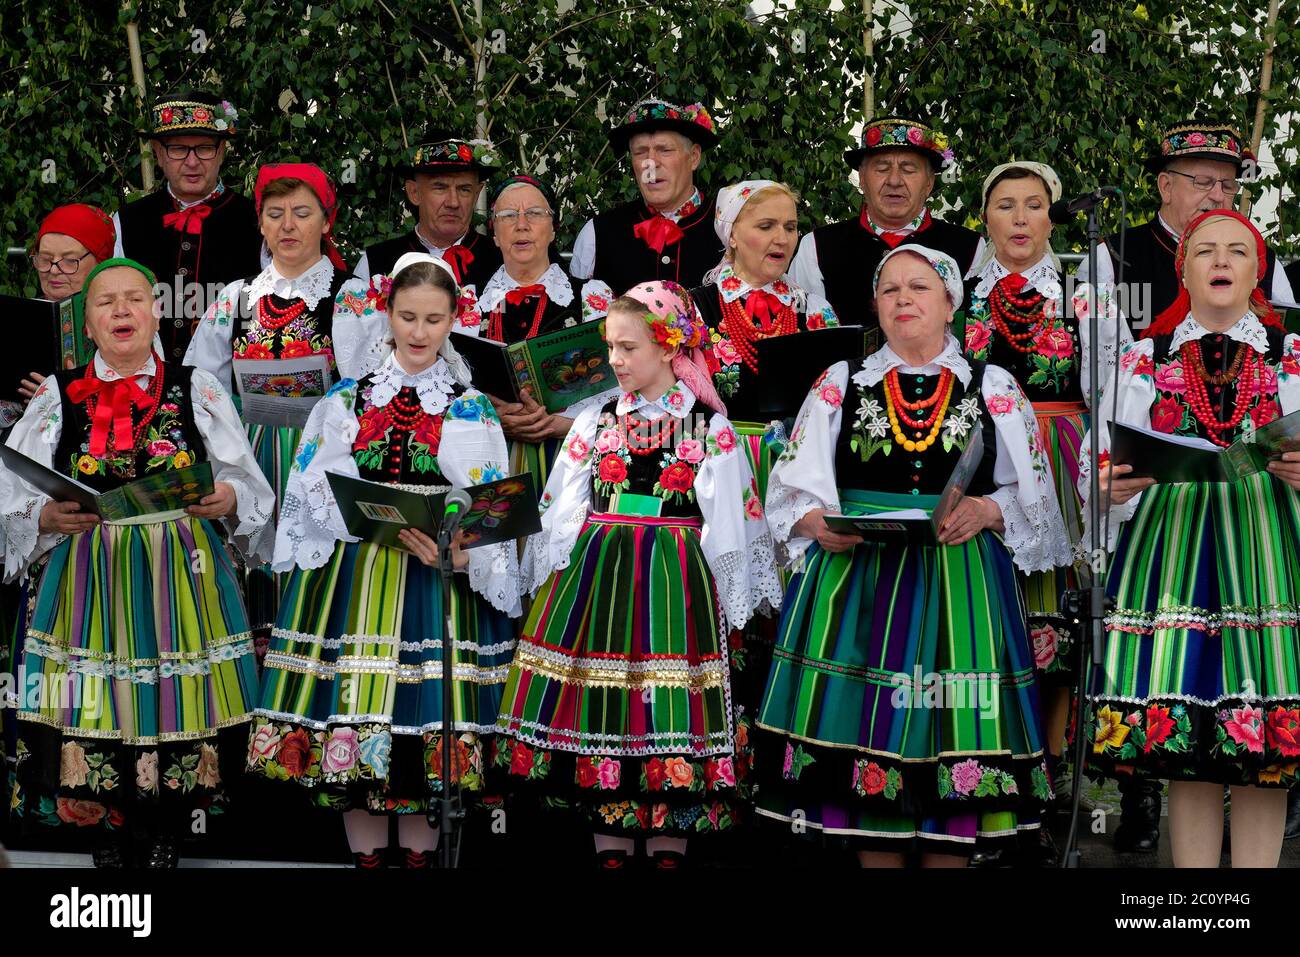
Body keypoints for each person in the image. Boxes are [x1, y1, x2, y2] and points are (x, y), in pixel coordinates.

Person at [756, 245, 1068, 865]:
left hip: (959, 585)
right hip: (857, 583)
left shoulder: (992, 385)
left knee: (952, 728)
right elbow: (791, 487)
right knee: (864, 748)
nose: (903, 299)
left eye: (920, 288)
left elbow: (1034, 496)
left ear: (951, 304)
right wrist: (817, 523)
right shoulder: (841, 382)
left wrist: (987, 510)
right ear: (874, 304)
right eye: (890, 288)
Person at [248, 252, 520, 867]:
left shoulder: (469, 404)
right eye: (407, 317)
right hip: (357, 573)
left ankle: (422, 860)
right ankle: (367, 862)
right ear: (387, 315)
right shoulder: (347, 399)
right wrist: (371, 517)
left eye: (433, 319)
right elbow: (312, 481)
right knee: (354, 714)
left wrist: (457, 539)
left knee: (425, 723)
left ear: (454, 320)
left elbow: (489, 498)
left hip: (434, 582)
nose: (419, 332)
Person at [494, 282, 780, 868]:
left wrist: (736, 601)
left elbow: (732, 526)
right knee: (606, 718)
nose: (615, 361)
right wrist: (545, 575)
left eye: (628, 348)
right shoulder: (592, 422)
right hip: (599, 588)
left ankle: (669, 852)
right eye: (611, 348)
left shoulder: (709, 429)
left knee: (667, 716)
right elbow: (558, 509)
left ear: (669, 347)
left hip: (676, 591)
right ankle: (612, 854)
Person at [1, 257, 273, 867]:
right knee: (97, 691)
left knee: (172, 687)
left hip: (179, 571)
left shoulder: (197, 386)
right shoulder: (56, 394)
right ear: (88, 325)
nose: (121, 312)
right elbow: (9, 490)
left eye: (133, 300)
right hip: (88, 572)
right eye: (106, 303)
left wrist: (227, 498)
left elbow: (245, 483)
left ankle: (166, 828)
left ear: (156, 313)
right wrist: (42, 518)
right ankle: (108, 832)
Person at [1085, 209, 1300, 868]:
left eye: (1238, 249)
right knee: (1187, 748)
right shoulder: (1142, 357)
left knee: (1266, 748)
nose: (1221, 259)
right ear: (1182, 267)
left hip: (1268, 556)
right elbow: (1101, 459)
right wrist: (1109, 485)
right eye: (1205, 248)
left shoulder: (1291, 353)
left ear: (1258, 271)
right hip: (1172, 556)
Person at [962, 161, 1128, 859]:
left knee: (1057, 621)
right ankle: (995, 772)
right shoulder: (960, 294)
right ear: (987, 219)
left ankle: (1056, 774)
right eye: (1006, 206)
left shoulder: (1081, 293)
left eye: (1035, 206)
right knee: (992, 623)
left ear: (1054, 218)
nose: (1022, 218)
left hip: (1062, 455)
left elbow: (1116, 379)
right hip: (985, 460)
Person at [185, 163, 352, 630]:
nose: (288, 226)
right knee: (255, 587)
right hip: (249, 460)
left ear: (326, 220)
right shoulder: (236, 299)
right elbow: (201, 387)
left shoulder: (351, 298)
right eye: (275, 213)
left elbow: (372, 388)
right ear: (260, 222)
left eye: (302, 212)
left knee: (317, 585)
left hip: (323, 461)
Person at [449, 174, 613, 488]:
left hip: (570, 461)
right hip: (487, 461)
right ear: (494, 233)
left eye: (535, 214)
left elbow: (621, 386)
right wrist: (492, 416)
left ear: (553, 229)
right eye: (508, 216)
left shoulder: (592, 298)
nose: (521, 224)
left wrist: (563, 423)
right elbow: (444, 386)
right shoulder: (466, 302)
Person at [1083, 120, 1297, 326]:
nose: (1217, 195)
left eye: (1228, 185)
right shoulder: (1112, 258)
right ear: (1166, 187)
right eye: (1203, 182)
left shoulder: (1262, 261)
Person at [791, 116, 984, 327]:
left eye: (908, 169)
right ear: (862, 179)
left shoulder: (970, 248)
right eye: (882, 168)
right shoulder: (817, 247)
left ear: (929, 183)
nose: (894, 181)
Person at [115, 91, 263, 360]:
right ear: (159, 154)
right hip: (145, 381)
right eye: (179, 149)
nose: (192, 161)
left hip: (229, 387)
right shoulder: (127, 221)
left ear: (221, 153)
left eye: (205, 148)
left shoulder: (258, 221)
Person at [570, 99, 723, 293]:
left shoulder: (730, 228)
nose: (651, 163)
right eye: (640, 152)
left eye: (665, 150)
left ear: (693, 157)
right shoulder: (597, 234)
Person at [9, 204, 117, 422]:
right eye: (45, 259)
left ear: (100, 263)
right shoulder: (19, 316)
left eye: (70, 261)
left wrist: (64, 395)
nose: (54, 270)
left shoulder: (126, 322)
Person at [352, 137, 503, 292]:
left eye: (464, 189)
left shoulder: (503, 260)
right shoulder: (375, 262)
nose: (453, 202)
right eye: (440, 187)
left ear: (476, 195)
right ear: (414, 192)